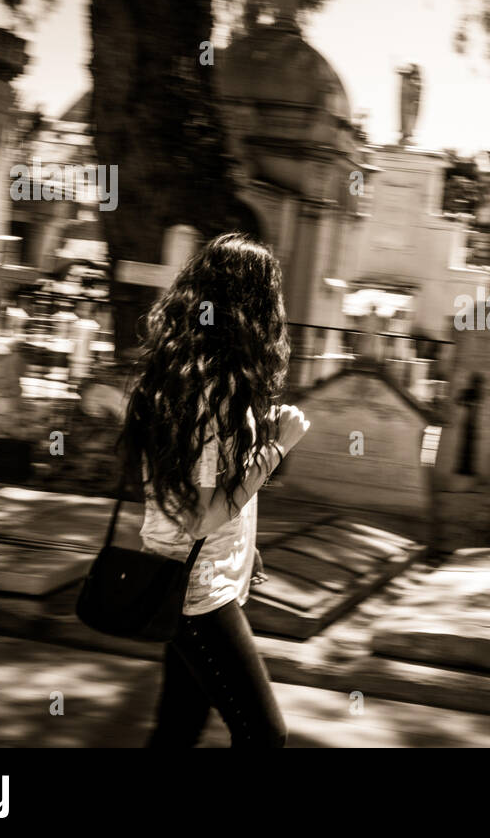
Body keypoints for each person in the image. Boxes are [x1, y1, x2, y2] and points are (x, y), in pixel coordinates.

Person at [121, 233, 309, 748]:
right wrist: (278, 449)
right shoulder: (210, 393)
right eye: (271, 296)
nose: (279, 310)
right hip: (196, 592)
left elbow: (204, 495)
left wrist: (249, 545)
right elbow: (202, 518)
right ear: (247, 306)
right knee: (264, 734)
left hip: (186, 576)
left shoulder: (196, 377)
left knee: (177, 731)